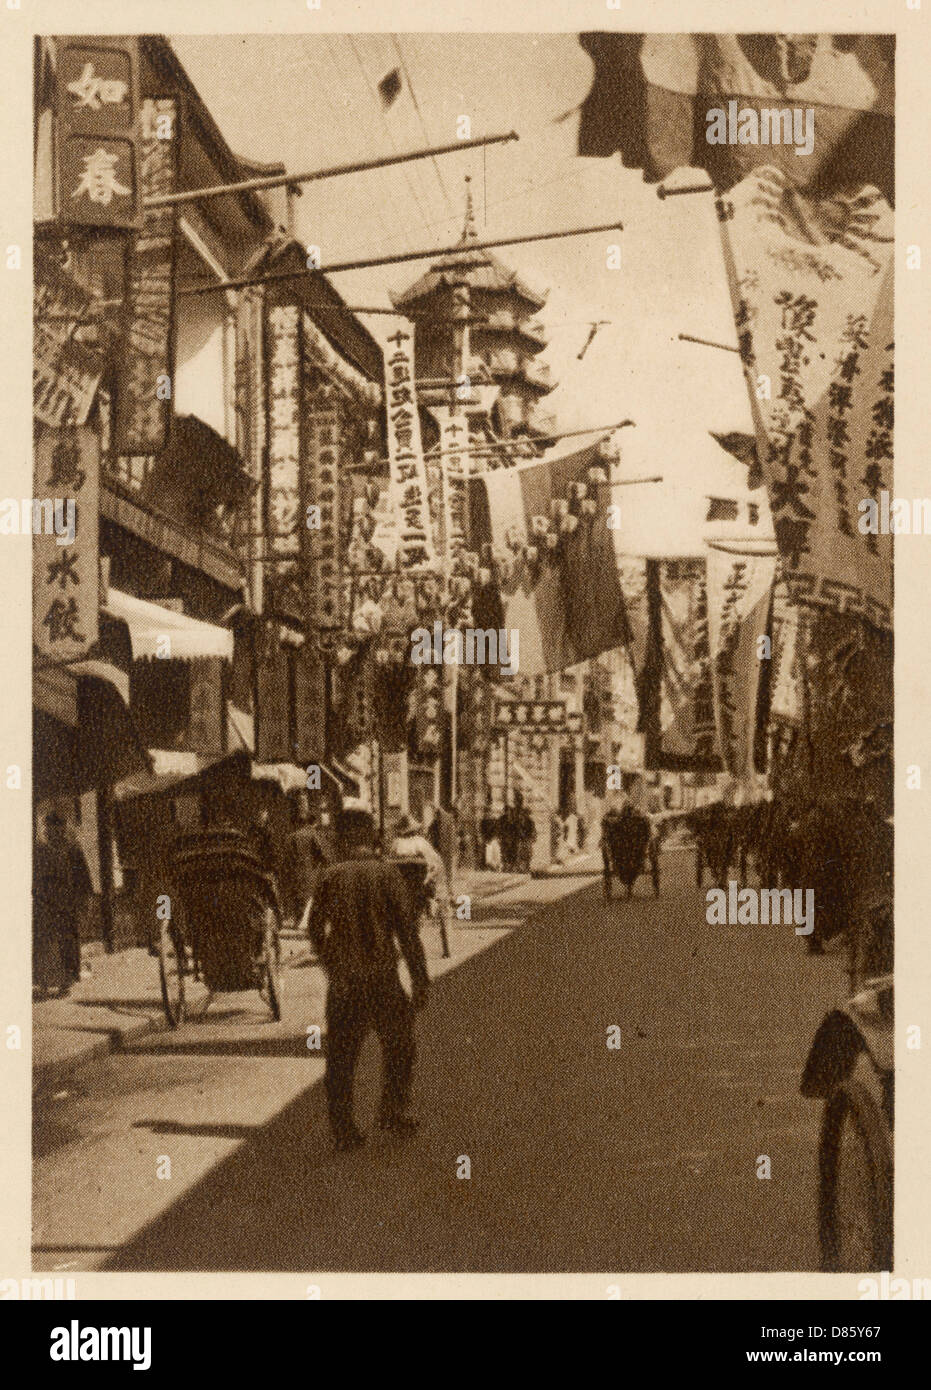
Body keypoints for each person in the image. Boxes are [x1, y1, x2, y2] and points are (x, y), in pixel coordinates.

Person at [307, 807, 429, 1152]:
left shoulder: (330, 877)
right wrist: (420, 980)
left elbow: (316, 931)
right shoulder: (388, 876)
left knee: (341, 1058)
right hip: (383, 980)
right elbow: (407, 932)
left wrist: (332, 964)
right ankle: (392, 1110)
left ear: (343, 839)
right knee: (401, 1046)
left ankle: (344, 1128)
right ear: (369, 836)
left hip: (345, 983)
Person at [33, 810, 93, 997]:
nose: (53, 832)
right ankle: (43, 982)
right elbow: (34, 875)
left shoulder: (72, 849)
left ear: (63, 828)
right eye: (49, 828)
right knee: (44, 942)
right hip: (44, 902)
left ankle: (65, 983)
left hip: (67, 902)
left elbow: (83, 877)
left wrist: (85, 900)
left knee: (66, 941)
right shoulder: (39, 850)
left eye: (57, 828)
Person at [390, 813, 451, 959]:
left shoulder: (396, 844)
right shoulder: (421, 842)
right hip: (424, 883)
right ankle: (446, 947)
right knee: (443, 906)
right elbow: (435, 864)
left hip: (405, 885)